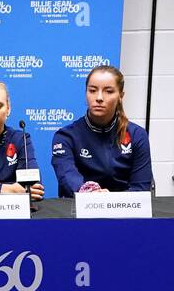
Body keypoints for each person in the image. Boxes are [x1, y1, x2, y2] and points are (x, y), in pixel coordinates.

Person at [51, 64, 153, 196]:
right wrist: (92, 195)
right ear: (86, 93)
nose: (99, 97)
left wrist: (109, 200)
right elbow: (67, 177)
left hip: (124, 211)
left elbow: (141, 188)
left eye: (108, 91)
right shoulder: (66, 136)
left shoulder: (137, 135)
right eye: (92, 90)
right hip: (79, 211)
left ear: (121, 96)